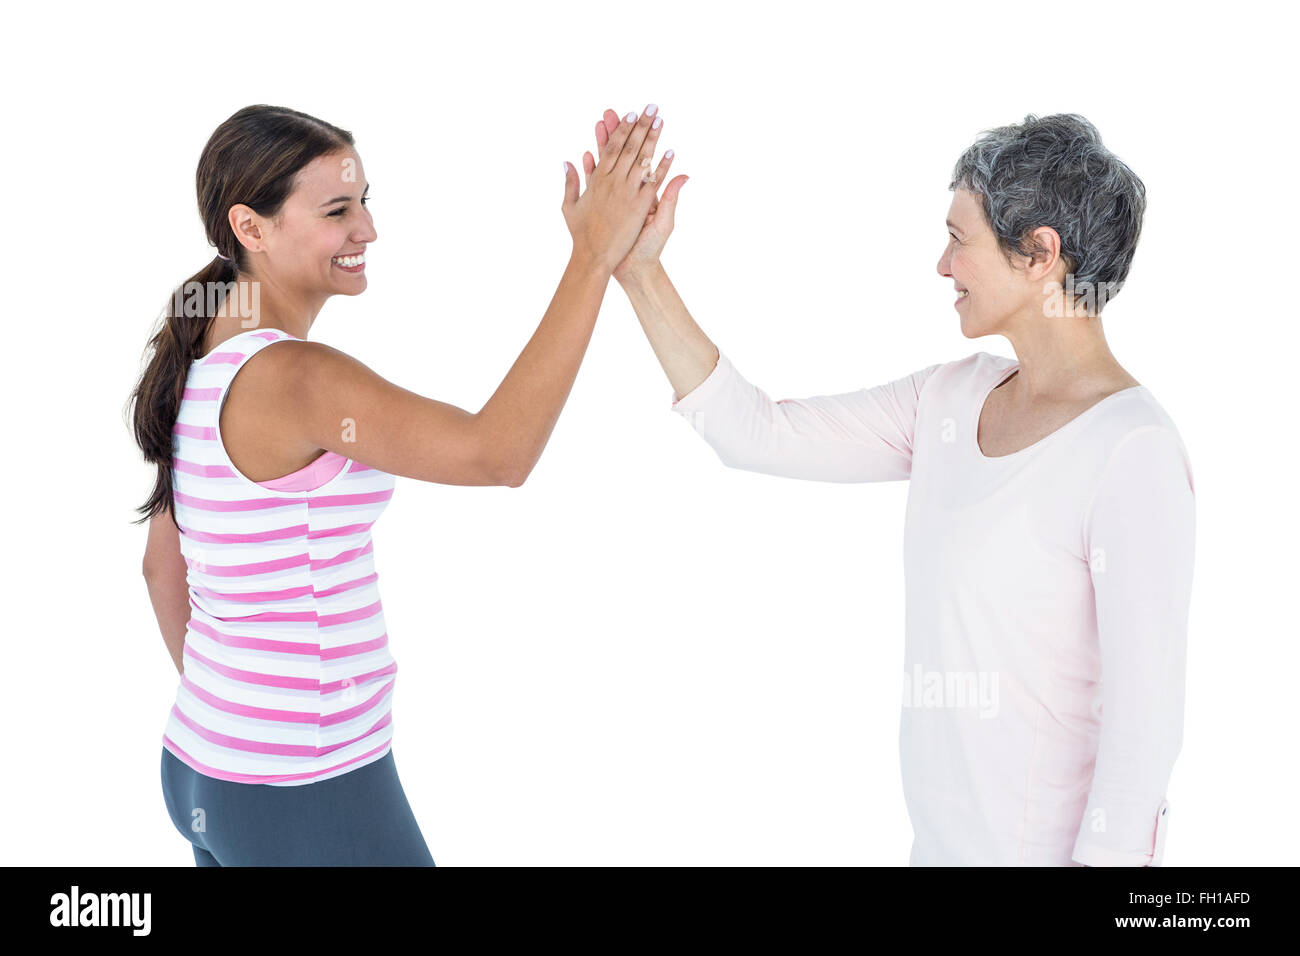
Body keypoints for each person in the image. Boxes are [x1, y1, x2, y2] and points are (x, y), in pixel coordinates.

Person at [596, 109, 1195, 866]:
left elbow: (1145, 728)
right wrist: (640, 272)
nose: (942, 266)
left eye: (959, 238)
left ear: (1040, 253)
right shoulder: (947, 401)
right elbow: (757, 432)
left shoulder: (1130, 449)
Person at [130, 102, 670, 865]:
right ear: (251, 228)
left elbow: (162, 564)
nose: (367, 231)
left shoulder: (201, 350)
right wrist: (591, 257)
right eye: (336, 211)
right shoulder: (297, 379)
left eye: (365, 202)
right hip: (309, 787)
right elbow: (498, 454)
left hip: (206, 767)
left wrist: (242, 715)